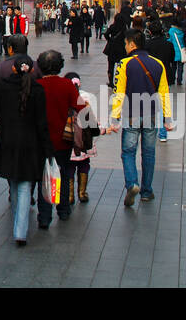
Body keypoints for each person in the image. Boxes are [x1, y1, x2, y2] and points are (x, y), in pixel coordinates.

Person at [0, 49, 52, 246]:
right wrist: (48, 149)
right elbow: (42, 124)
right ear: (32, 69)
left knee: (15, 183)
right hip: (31, 144)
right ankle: (20, 232)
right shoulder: (38, 90)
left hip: (7, 142)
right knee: (26, 185)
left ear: (14, 69)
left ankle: (19, 223)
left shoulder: (2, 87)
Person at [110, 29, 173, 206]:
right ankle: (147, 191)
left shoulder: (124, 64)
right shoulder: (158, 63)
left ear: (131, 44)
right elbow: (164, 93)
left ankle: (132, 183)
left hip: (131, 114)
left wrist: (115, 118)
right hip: (152, 115)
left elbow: (119, 92)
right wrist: (167, 118)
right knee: (149, 152)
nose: (125, 46)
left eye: (125, 43)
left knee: (128, 152)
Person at [35, 50, 83, 225]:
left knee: (45, 176)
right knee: (61, 174)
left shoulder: (36, 85)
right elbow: (82, 108)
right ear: (60, 66)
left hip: (40, 140)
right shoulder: (67, 85)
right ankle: (63, 210)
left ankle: (45, 216)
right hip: (63, 140)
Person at [65, 70, 98, 202]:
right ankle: (82, 193)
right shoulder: (86, 97)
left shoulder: (64, 96)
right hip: (85, 139)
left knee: (69, 166)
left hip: (69, 138)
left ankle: (70, 195)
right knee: (84, 164)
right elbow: (92, 118)